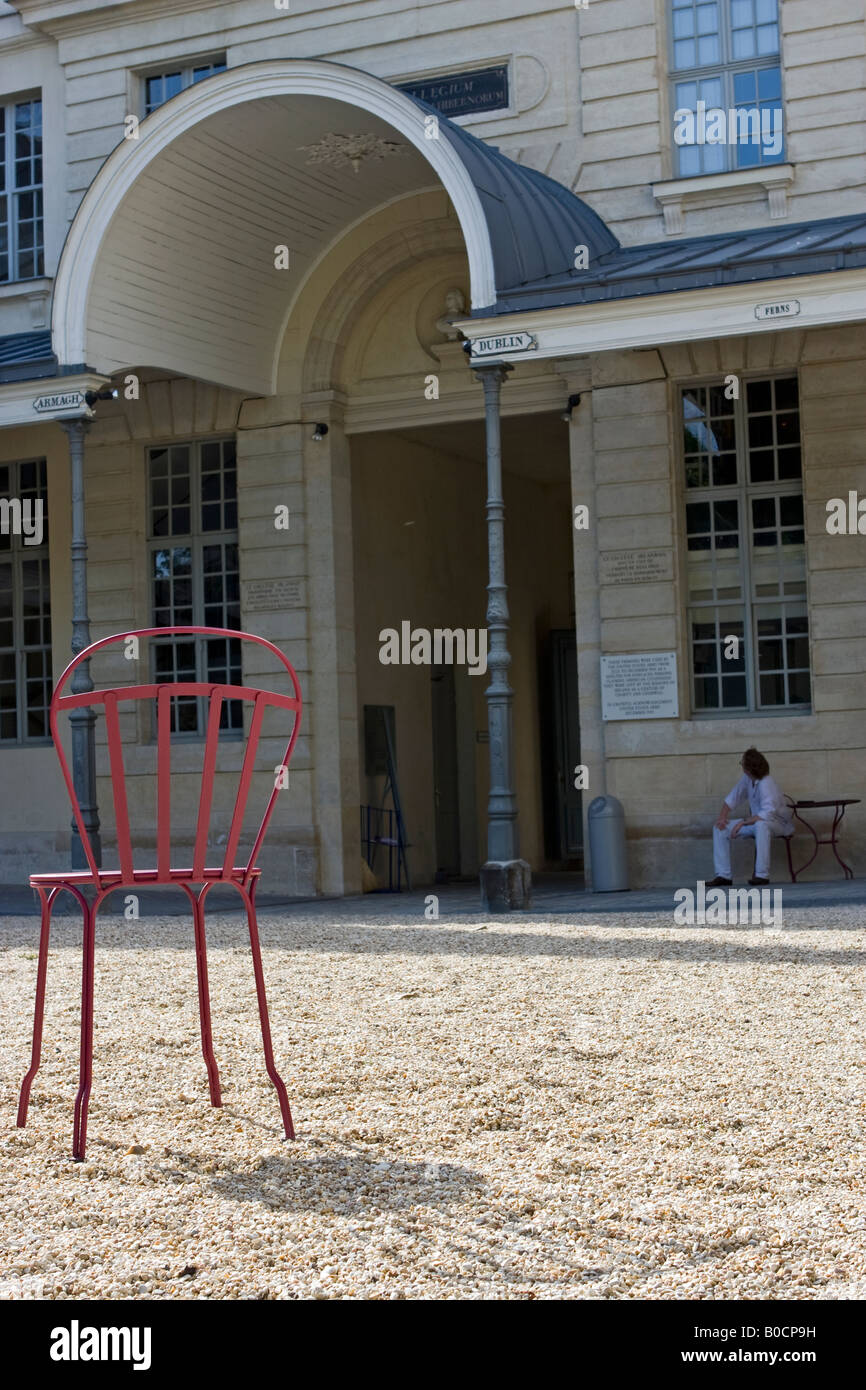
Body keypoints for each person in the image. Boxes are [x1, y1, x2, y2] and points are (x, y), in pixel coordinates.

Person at [707, 747, 794, 888]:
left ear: (749, 768)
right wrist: (722, 818)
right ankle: (723, 875)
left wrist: (742, 823)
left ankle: (761, 875)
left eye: (743, 762)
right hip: (755, 823)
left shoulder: (766, 783)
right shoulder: (747, 779)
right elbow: (733, 797)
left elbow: (767, 813)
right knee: (720, 828)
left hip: (777, 824)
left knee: (761, 825)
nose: (741, 765)